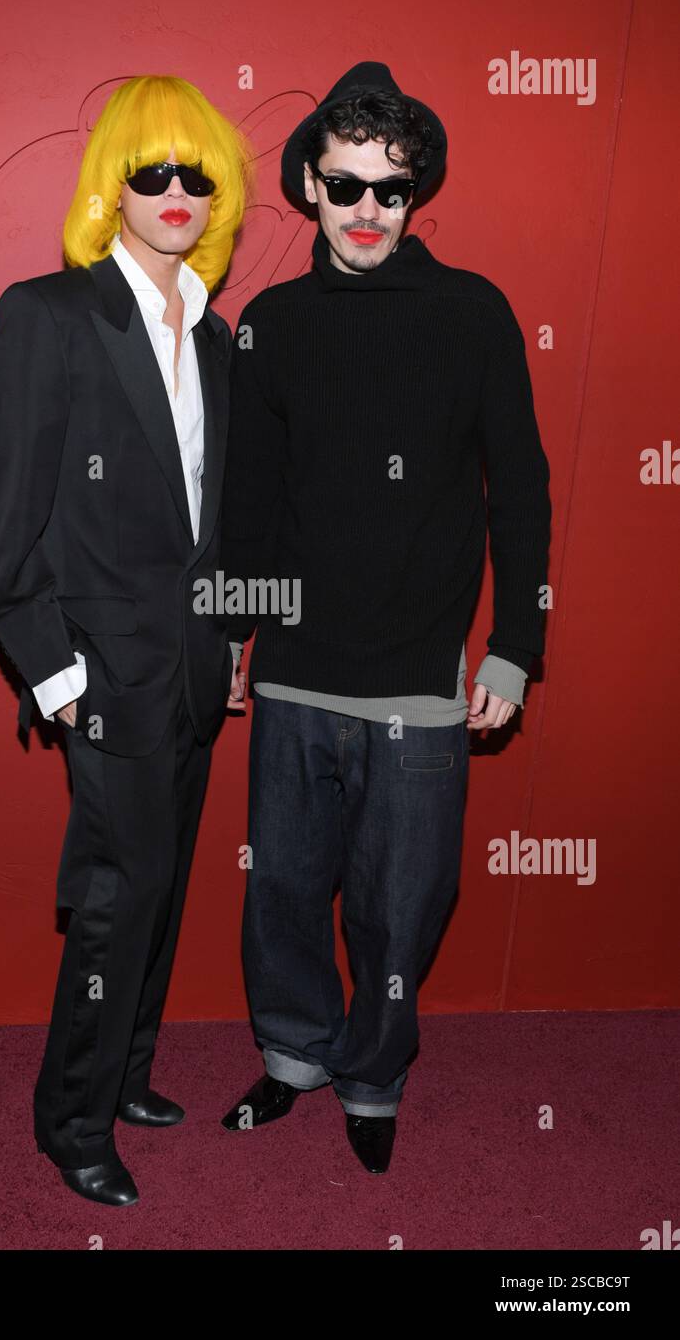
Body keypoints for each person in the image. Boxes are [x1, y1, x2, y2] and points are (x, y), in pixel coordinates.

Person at [220, 61, 551, 1173]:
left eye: (390, 190)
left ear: (416, 196)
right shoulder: (268, 323)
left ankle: (371, 1077)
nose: (367, 211)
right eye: (344, 185)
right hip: (292, 675)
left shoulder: (472, 314)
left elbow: (522, 490)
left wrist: (512, 650)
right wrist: (231, 631)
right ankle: (294, 1059)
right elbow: (248, 505)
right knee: (283, 893)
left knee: (401, 911)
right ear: (305, 187)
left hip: (419, 679)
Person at [0, 74, 251, 1205]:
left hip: (188, 667)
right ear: (112, 186)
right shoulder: (47, 315)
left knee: (163, 884)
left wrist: (231, 640)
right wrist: (56, 675)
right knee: (113, 894)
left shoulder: (220, 333)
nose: (176, 190)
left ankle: (129, 1072)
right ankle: (70, 1118)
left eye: (198, 171)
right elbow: (9, 522)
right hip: (98, 672)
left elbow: (215, 510)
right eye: (152, 170)